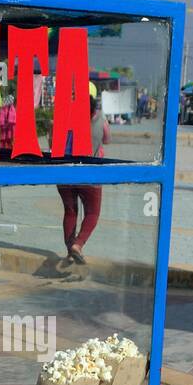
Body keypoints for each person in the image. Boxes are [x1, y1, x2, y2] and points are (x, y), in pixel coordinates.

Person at [55, 84, 110, 265]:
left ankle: (70, 250)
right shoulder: (100, 119)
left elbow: (52, 140)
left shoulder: (64, 116)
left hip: (65, 172)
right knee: (93, 213)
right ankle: (77, 245)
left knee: (70, 213)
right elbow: (107, 140)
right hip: (90, 175)